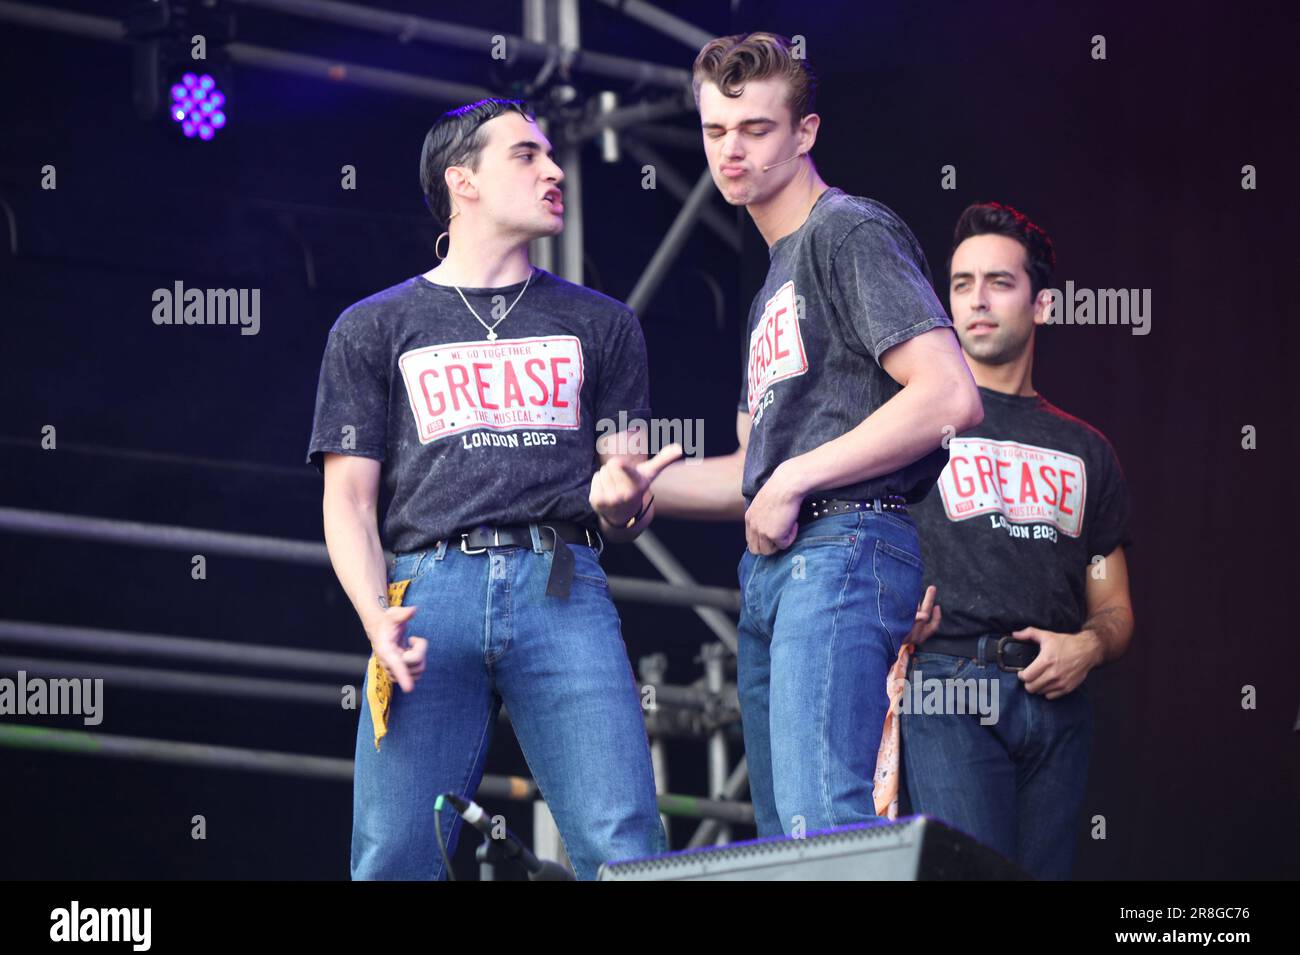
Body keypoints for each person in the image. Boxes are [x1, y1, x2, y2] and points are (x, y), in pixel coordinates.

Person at [306, 98, 675, 880]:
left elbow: (629, 494)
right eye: (526, 155)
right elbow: (348, 503)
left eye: (552, 155)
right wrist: (376, 616)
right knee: (394, 854)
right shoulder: (373, 326)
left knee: (624, 841)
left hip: (563, 578)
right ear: (461, 180)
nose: (552, 169)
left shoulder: (604, 323)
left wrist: (622, 503)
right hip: (424, 590)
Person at [652, 32, 983, 838]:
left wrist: (797, 479)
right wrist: (643, 491)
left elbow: (950, 393)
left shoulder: (847, 230)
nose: (731, 150)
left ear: (805, 133)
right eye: (715, 131)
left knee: (817, 827)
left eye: (755, 129)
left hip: (845, 544)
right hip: (783, 568)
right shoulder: (774, 274)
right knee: (788, 841)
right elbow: (749, 471)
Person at [901, 202, 1136, 879]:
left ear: (1044, 306)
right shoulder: (909, 423)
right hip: (948, 687)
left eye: (999, 282)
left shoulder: (1088, 450)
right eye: (962, 283)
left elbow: (1116, 608)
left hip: (1059, 704)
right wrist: (890, 614)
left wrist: (1088, 646)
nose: (976, 300)